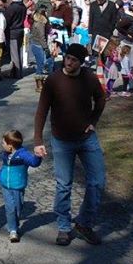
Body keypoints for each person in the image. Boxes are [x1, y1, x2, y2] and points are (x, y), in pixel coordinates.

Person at [33, 43, 106, 247]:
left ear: (81, 63)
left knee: (98, 181)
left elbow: (101, 98)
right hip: (62, 140)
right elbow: (42, 110)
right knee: (64, 185)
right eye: (67, 58)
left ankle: (84, 223)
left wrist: (93, 121)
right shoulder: (53, 80)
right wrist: (38, 141)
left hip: (86, 138)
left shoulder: (88, 78)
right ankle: (64, 226)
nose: (69, 62)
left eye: (74, 60)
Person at [0, 129, 43, 243]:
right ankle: (13, 230)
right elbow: (4, 167)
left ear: (10, 145)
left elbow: (34, 163)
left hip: (18, 186)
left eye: (3, 143)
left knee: (18, 208)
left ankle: (15, 225)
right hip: (5, 186)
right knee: (10, 208)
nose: (2, 145)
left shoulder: (23, 155)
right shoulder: (5, 155)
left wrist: (38, 156)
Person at [29, 7, 53, 91]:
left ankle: (41, 83)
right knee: (40, 64)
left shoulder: (36, 22)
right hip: (38, 45)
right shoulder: (40, 23)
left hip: (35, 44)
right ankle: (39, 85)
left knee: (42, 63)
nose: (46, 14)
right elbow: (42, 37)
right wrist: (46, 48)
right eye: (45, 12)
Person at [5, 0, 27, 81]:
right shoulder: (23, 6)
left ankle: (17, 73)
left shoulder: (12, 7)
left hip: (13, 31)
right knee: (20, 51)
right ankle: (19, 71)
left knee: (14, 54)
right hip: (21, 29)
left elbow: (7, 20)